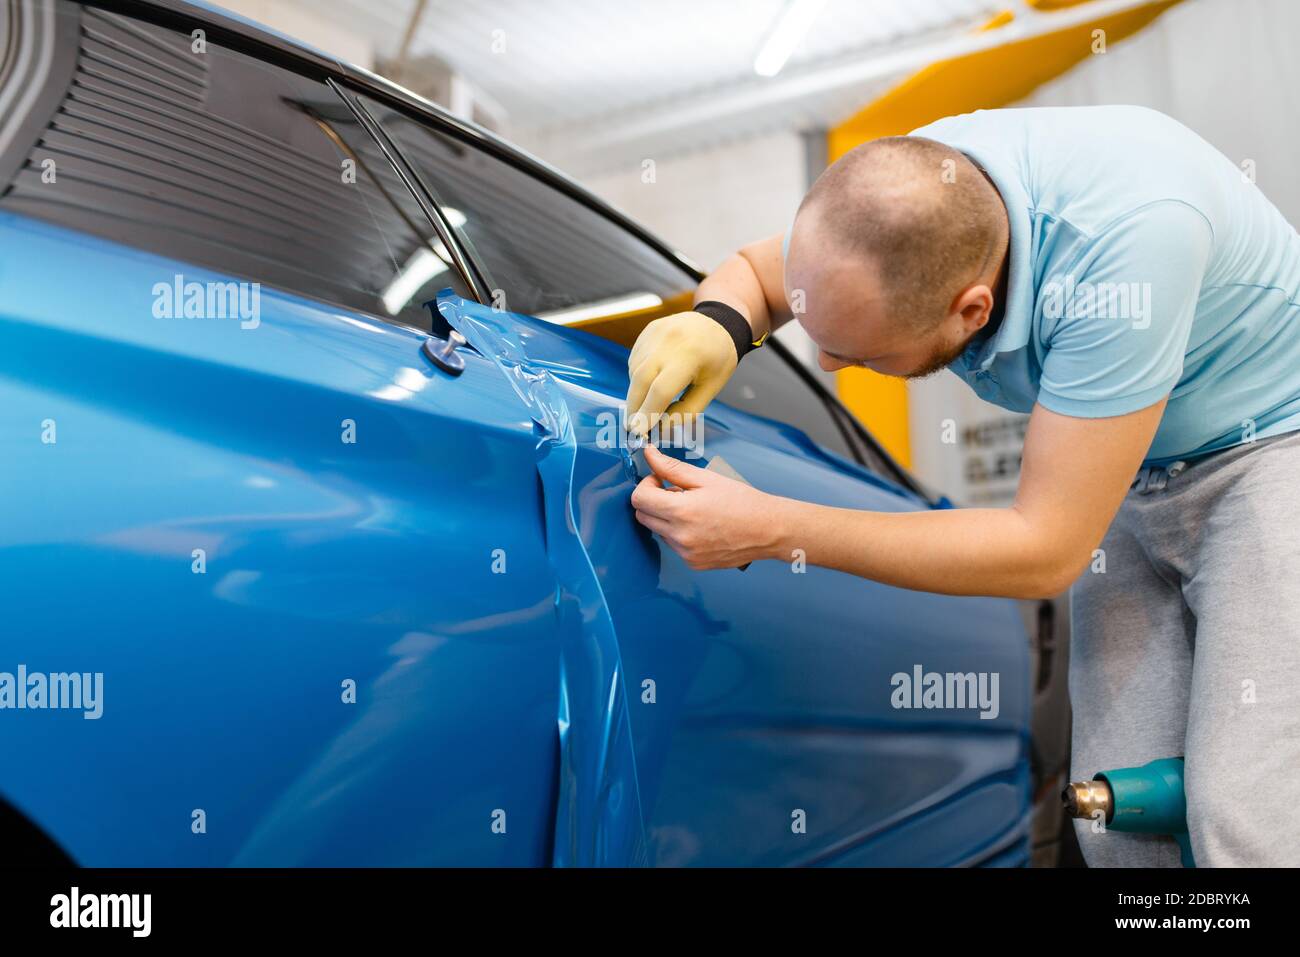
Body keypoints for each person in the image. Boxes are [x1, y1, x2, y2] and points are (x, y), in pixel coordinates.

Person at [624, 105, 1300, 867]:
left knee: (1244, 817)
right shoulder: (898, 203)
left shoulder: (1128, 250)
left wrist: (777, 529)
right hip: (1128, 461)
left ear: (971, 308)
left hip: (1272, 451)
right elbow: (756, 273)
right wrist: (719, 320)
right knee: (1120, 822)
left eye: (859, 352)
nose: (826, 364)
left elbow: (1042, 550)